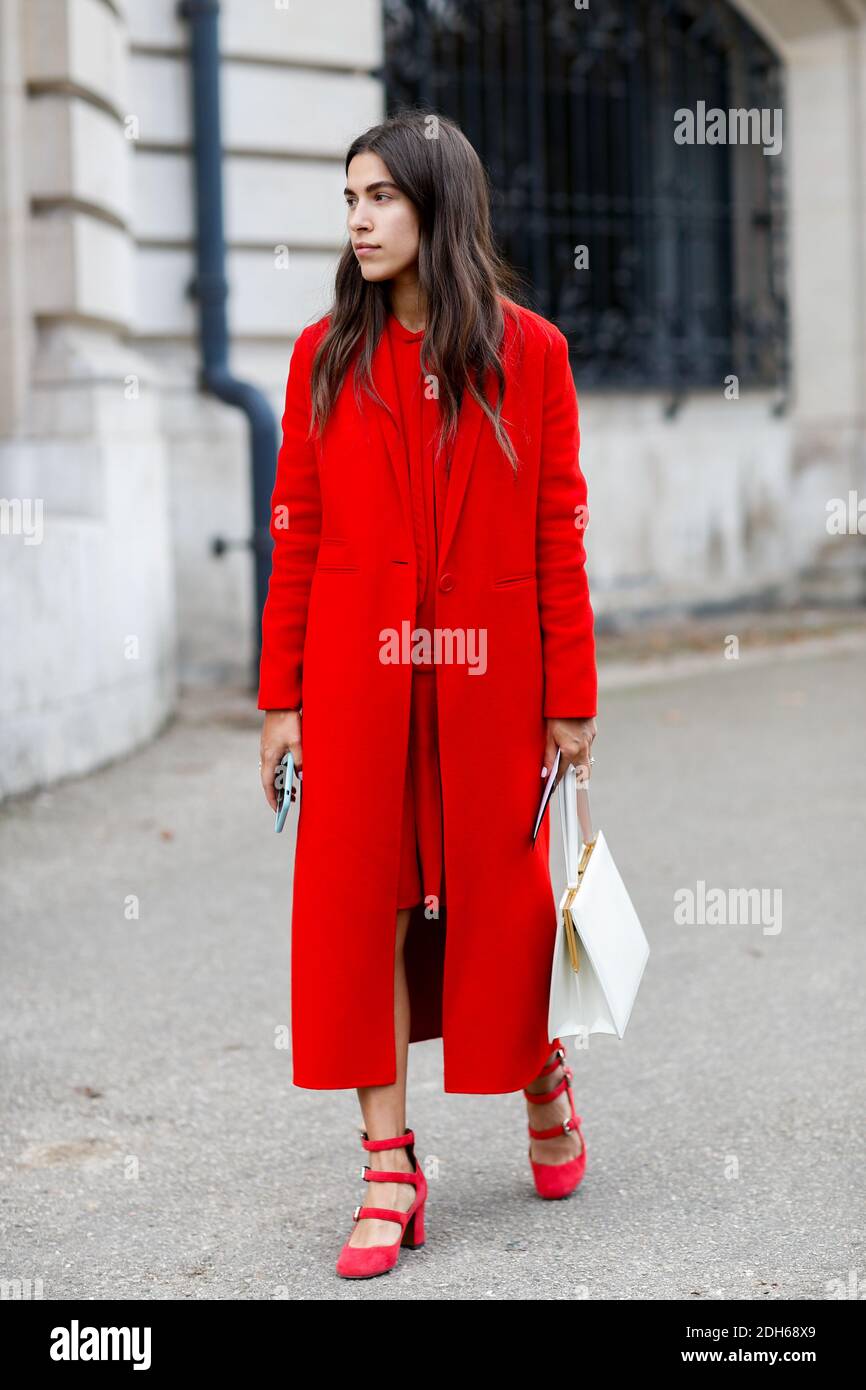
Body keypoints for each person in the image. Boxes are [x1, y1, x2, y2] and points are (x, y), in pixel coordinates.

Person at [258, 111, 598, 1280]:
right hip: (356, 686)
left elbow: (558, 532)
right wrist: (279, 701)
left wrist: (571, 697)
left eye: (380, 198)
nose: (356, 219)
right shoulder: (320, 357)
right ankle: (388, 1166)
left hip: (493, 681)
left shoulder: (532, 354)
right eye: (348, 198)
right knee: (365, 911)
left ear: (436, 207)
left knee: (499, 909)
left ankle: (537, 1061)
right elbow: (293, 538)